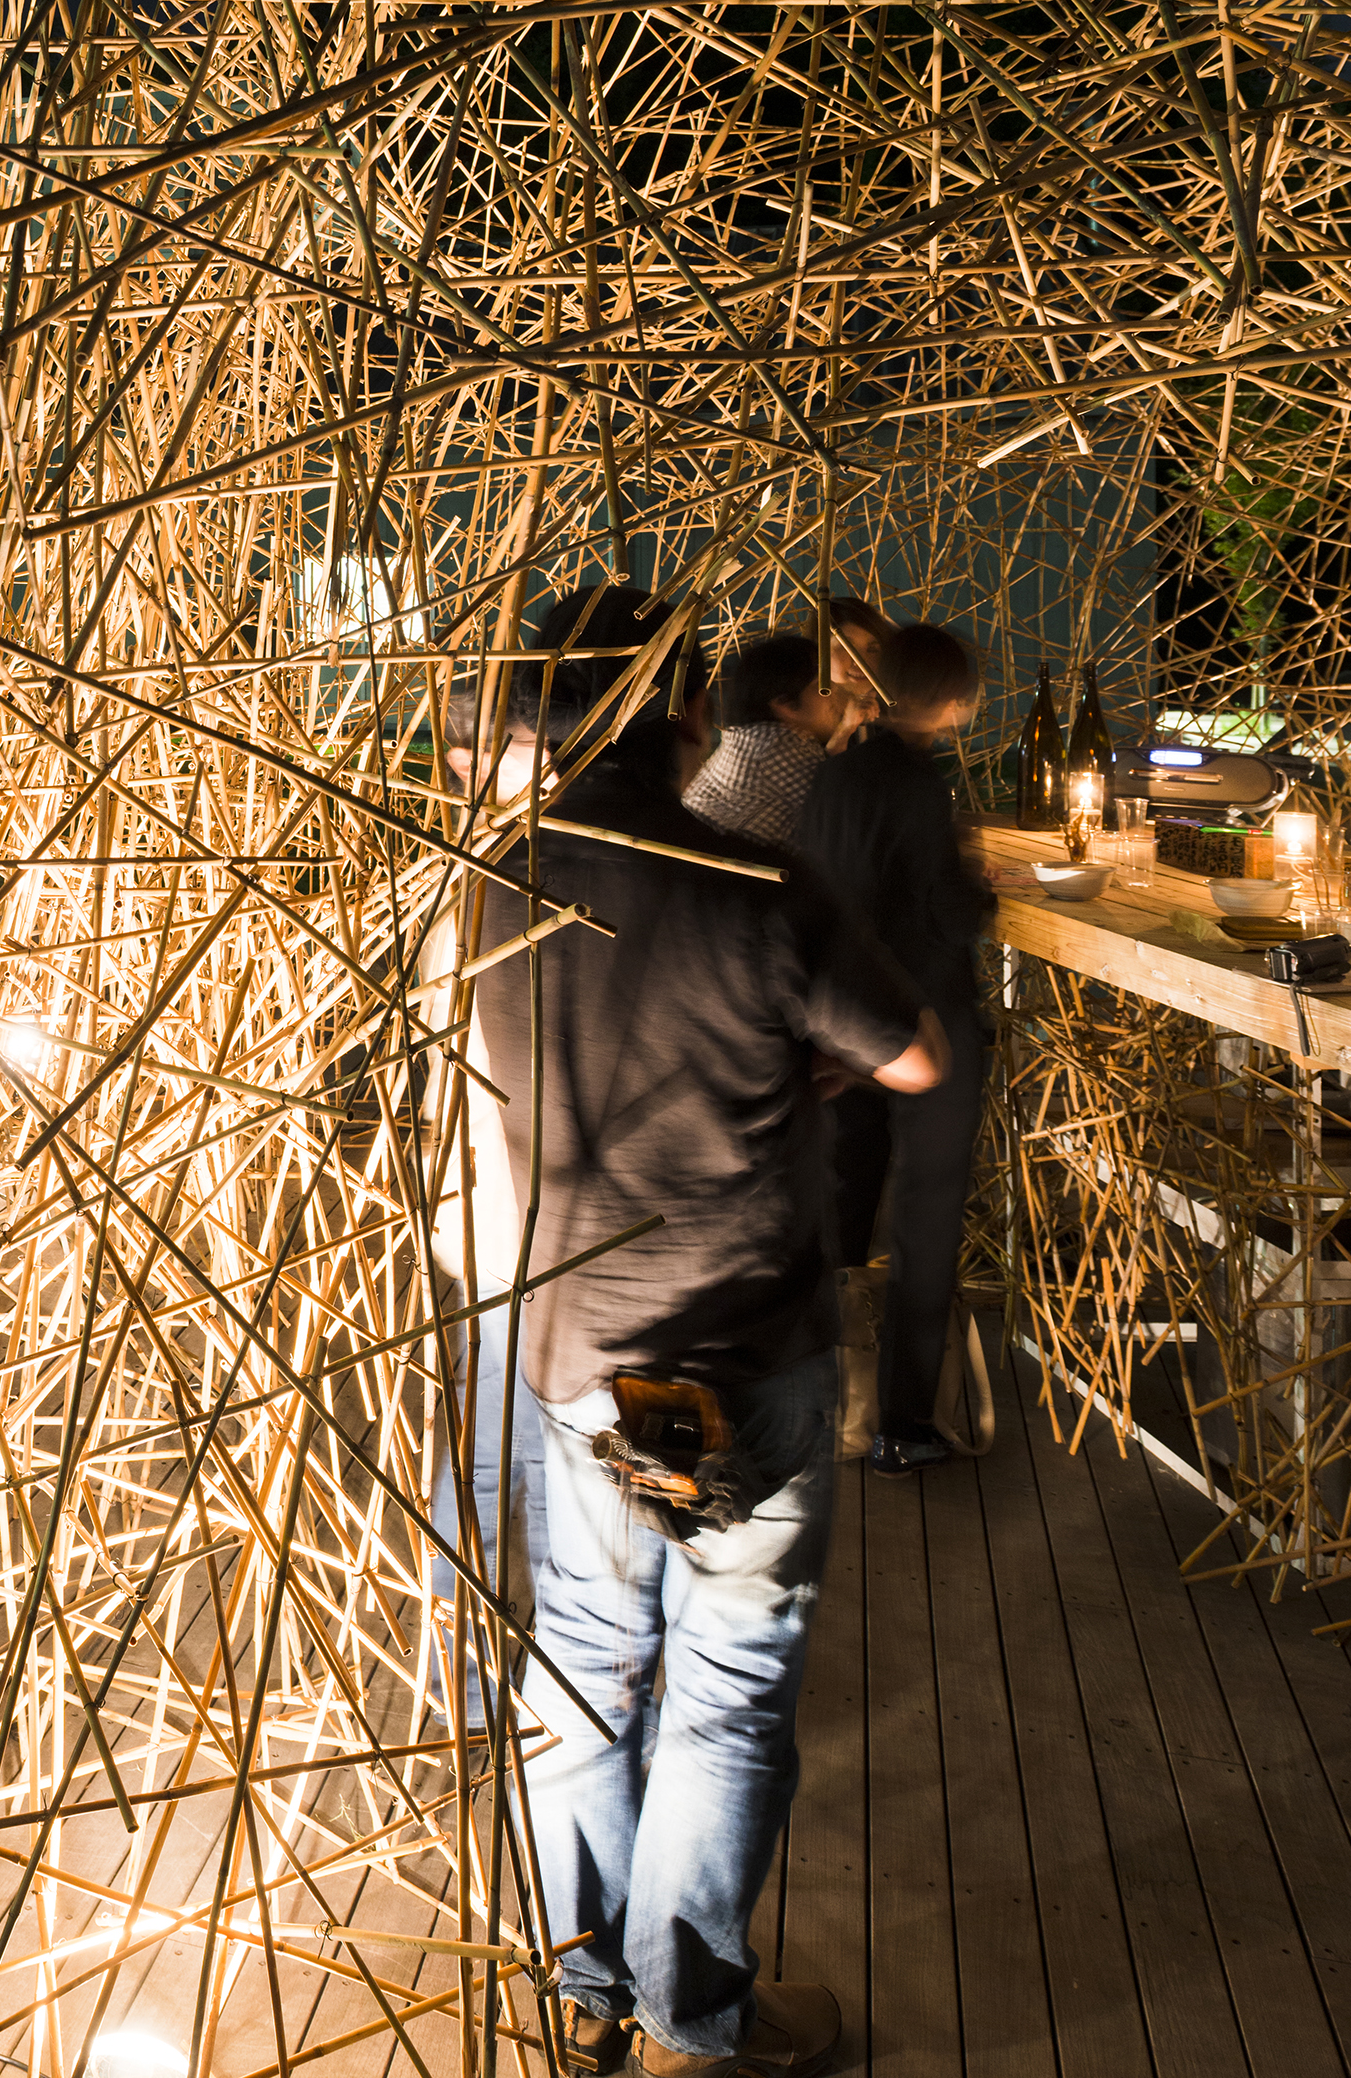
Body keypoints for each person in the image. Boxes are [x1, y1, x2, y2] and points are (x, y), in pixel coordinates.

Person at [472, 585, 946, 2078]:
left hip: (577, 1354)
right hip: (739, 1350)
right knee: (727, 1694)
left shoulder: (492, 879)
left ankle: (585, 1993)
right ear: (681, 716)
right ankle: (693, 2025)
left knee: (587, 1678)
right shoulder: (755, 885)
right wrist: (803, 1071)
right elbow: (918, 1056)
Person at [798, 620, 993, 1477]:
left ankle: (818, 1403)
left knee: (839, 1207)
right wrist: (978, 882)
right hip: (929, 1021)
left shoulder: (834, 774)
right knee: (926, 1214)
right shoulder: (920, 786)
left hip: (846, 1020)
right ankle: (904, 1423)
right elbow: (945, 913)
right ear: (952, 699)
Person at [416, 679, 553, 1728]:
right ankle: (497, 1694)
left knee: (500, 1444)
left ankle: (500, 1690)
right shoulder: (481, 883)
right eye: (520, 745)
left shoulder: (508, 867)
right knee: (507, 1454)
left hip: (517, 1214)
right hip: (510, 1220)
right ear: (468, 762)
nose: (544, 761)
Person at [684, 630, 866, 850]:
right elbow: (849, 815)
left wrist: (845, 731)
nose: (835, 693)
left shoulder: (748, 740)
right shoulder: (780, 746)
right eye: (822, 687)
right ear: (785, 705)